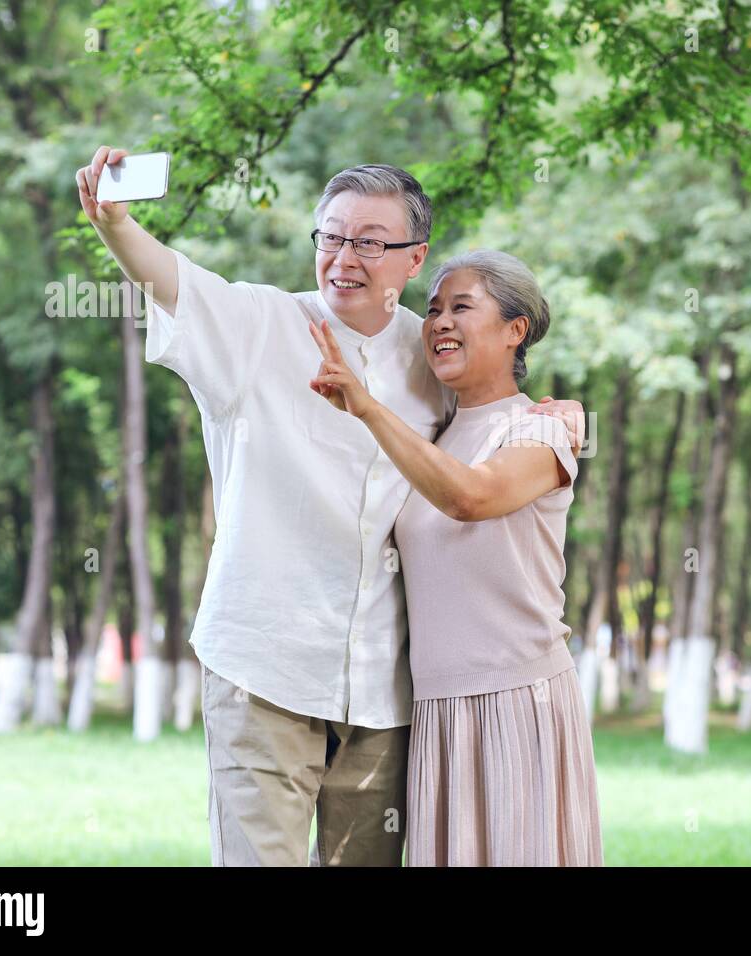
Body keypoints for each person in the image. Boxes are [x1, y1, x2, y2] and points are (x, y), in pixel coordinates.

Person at [75, 147, 585, 866]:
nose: (346, 257)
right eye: (333, 237)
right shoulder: (258, 325)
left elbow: (487, 437)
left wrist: (554, 414)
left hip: (386, 688)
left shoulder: (432, 357)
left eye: (370, 242)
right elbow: (174, 282)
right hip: (265, 665)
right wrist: (115, 224)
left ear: (414, 258)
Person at [308, 249, 602, 866]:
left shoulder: (540, 431)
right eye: (434, 308)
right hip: (437, 714)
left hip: (517, 702)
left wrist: (365, 406)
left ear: (515, 330)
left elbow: (472, 497)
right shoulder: (437, 434)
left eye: (462, 307)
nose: (439, 321)